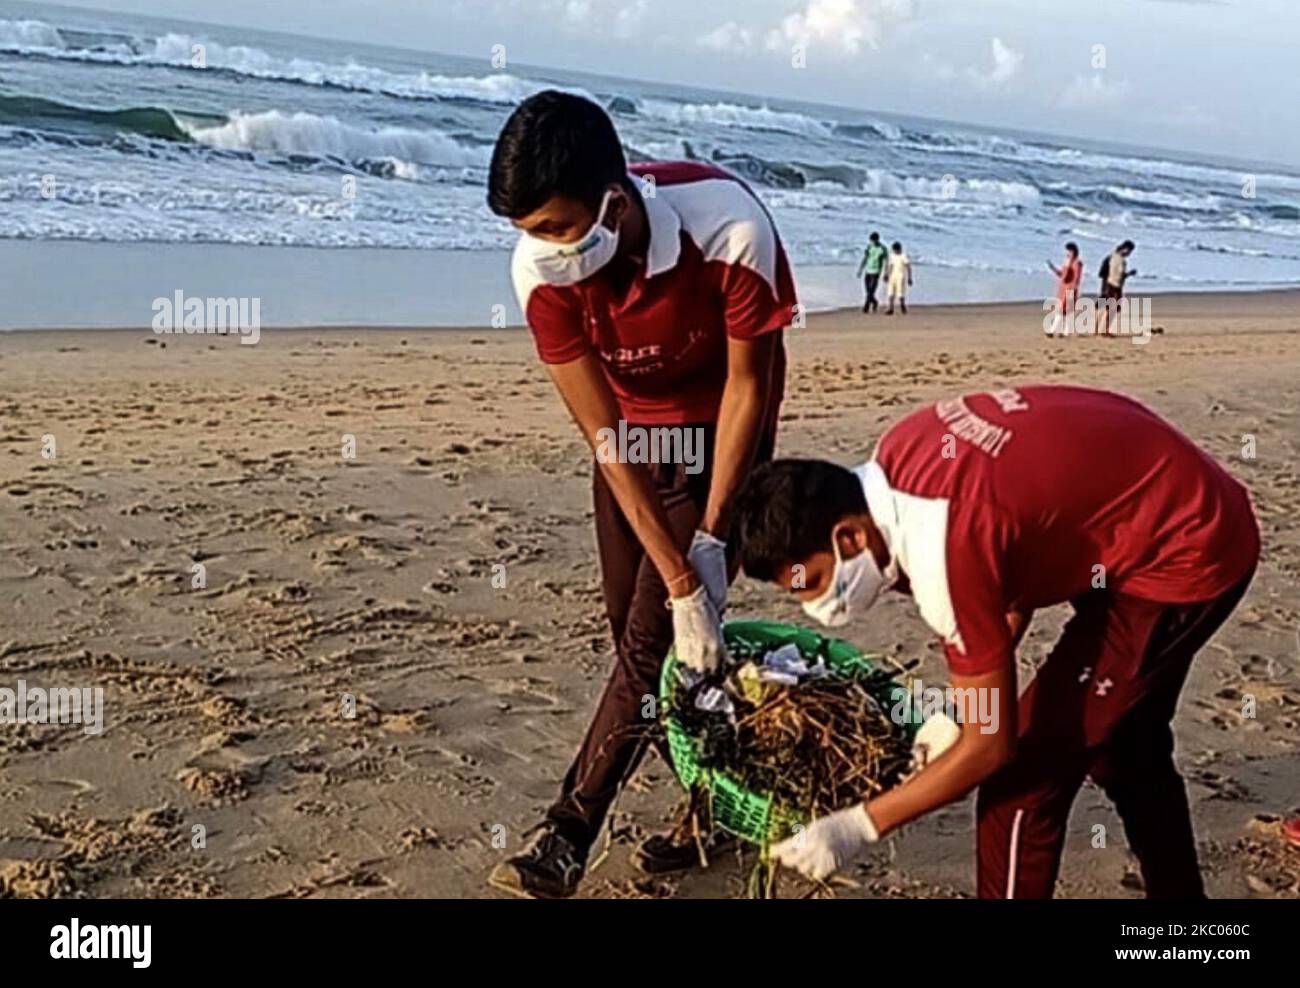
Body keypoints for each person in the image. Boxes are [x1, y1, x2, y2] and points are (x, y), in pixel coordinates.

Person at [730, 385, 1259, 898]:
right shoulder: (897, 455)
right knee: (1123, 741)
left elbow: (992, 747)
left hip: (1183, 548)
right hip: (1144, 506)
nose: (813, 606)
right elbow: (1008, 569)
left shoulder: (939, 547)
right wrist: (964, 717)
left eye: (810, 582)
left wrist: (859, 825)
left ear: (848, 537)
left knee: (1022, 785)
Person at [484, 91, 796, 898]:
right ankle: (720, 798)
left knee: (646, 645)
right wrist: (682, 579)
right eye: (528, 234)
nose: (543, 250)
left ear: (613, 201)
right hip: (632, 438)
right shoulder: (538, 272)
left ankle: (563, 839)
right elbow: (605, 438)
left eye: (556, 228)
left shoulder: (730, 229)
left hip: (717, 430)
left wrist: (713, 541)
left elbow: (747, 391)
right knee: (638, 624)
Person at [1097, 240, 1137, 337]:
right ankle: (1104, 330)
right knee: (1110, 308)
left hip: (1113, 285)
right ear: (1125, 249)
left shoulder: (1114, 258)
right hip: (1111, 285)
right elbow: (1116, 274)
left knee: (1106, 308)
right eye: (1129, 251)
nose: (1129, 254)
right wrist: (1129, 274)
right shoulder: (1116, 259)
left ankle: (1100, 329)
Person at [1046, 242, 1083, 336]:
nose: (1067, 254)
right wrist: (1053, 268)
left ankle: (1054, 330)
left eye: (1069, 251)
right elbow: (1062, 275)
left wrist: (1074, 288)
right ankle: (1064, 331)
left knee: (1064, 310)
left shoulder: (1076, 263)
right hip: (1064, 288)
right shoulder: (1069, 263)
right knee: (1065, 310)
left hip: (1070, 289)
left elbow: (1072, 277)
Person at [856, 232, 889, 314]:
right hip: (868, 270)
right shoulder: (869, 247)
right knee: (867, 290)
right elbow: (865, 258)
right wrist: (860, 269)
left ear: (877, 240)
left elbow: (886, 262)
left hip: (876, 271)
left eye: (873, 241)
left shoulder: (883, 249)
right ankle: (874, 302)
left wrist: (886, 273)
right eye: (871, 241)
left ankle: (866, 306)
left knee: (871, 290)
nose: (872, 242)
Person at [885, 241, 912, 315]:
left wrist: (910, 278)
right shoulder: (892, 256)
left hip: (900, 276)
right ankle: (891, 308)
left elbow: (908, 267)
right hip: (892, 275)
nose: (895, 251)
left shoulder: (903, 256)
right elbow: (890, 266)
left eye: (896, 250)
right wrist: (887, 274)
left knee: (900, 293)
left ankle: (902, 306)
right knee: (890, 292)